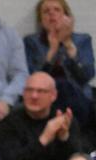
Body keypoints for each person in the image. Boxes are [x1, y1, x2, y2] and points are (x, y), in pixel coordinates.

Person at [24, 0, 94, 128]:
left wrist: (68, 45)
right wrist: (52, 50)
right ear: (40, 20)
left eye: (57, 10)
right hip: (43, 99)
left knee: (64, 86)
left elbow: (87, 76)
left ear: (67, 17)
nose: (51, 14)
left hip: (78, 99)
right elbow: (32, 78)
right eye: (46, 11)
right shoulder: (31, 42)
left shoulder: (82, 40)